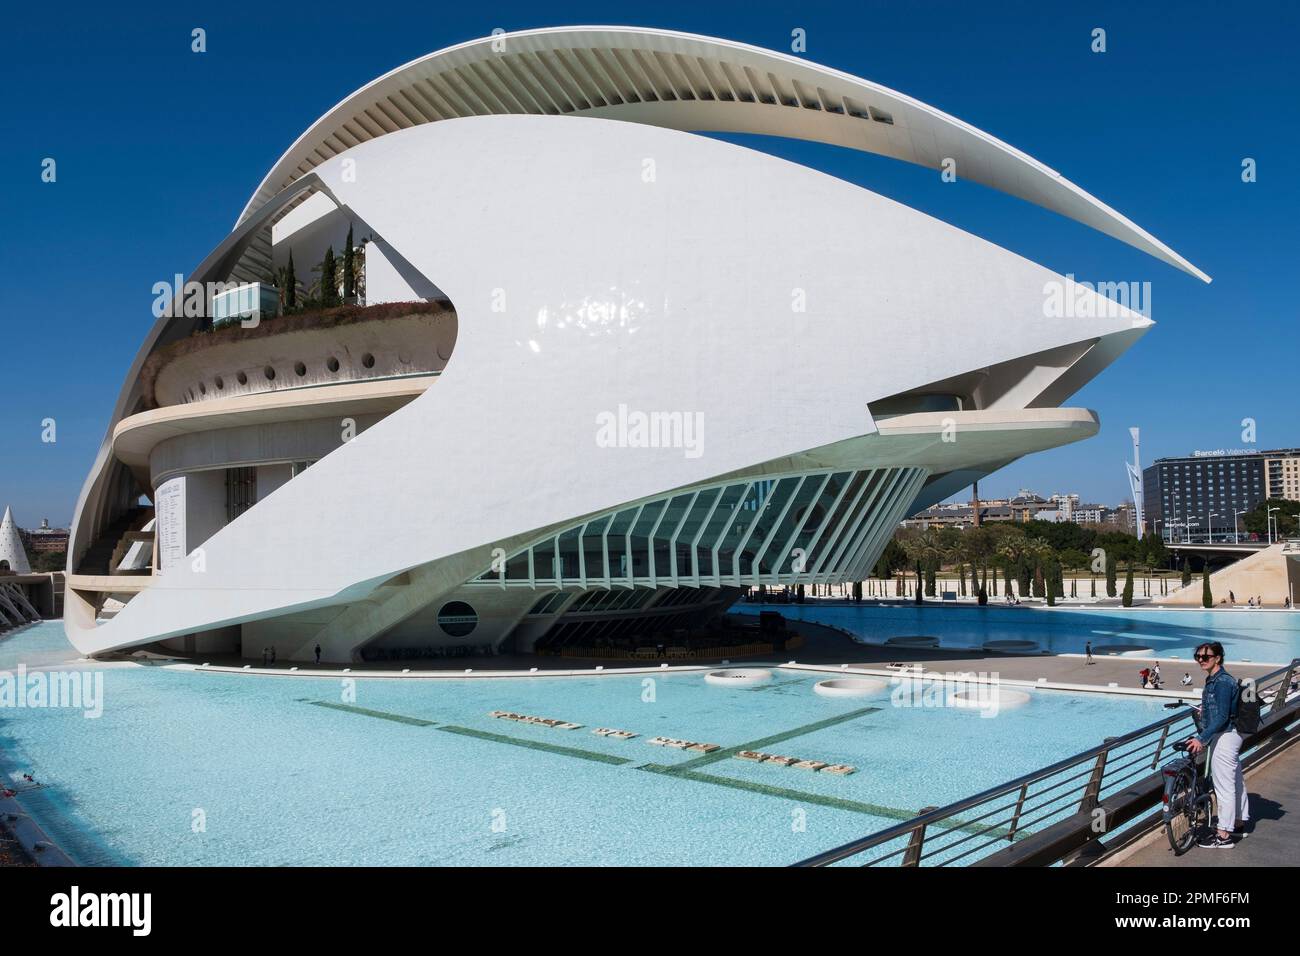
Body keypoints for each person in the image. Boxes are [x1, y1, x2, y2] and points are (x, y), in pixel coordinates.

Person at [1187, 641, 1248, 849]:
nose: (1201, 660)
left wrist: (1201, 738)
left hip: (1226, 734)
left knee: (1224, 787)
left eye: (1206, 657)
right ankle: (1237, 823)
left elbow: (1222, 717)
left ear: (1218, 658)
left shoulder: (1222, 682)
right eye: (1198, 656)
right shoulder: (1213, 679)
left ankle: (1223, 836)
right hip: (1229, 734)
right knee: (1235, 781)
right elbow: (1219, 711)